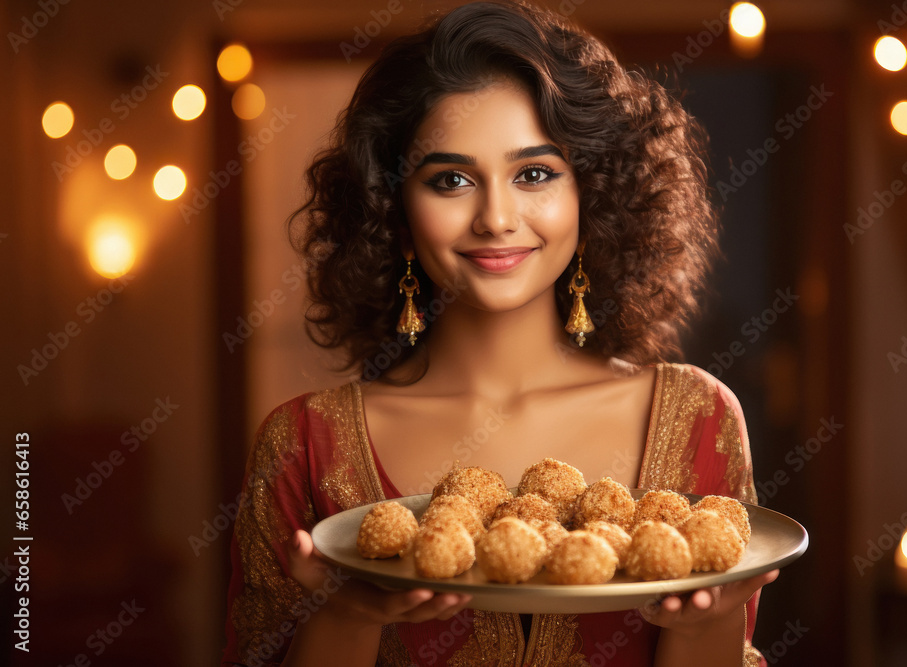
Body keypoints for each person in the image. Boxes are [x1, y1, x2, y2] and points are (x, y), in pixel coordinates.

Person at [221, 1, 777, 665]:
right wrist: (346, 614)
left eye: (534, 173)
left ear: (590, 194)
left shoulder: (697, 419)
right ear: (393, 210)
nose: (496, 216)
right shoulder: (303, 446)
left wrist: (700, 624)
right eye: (451, 179)